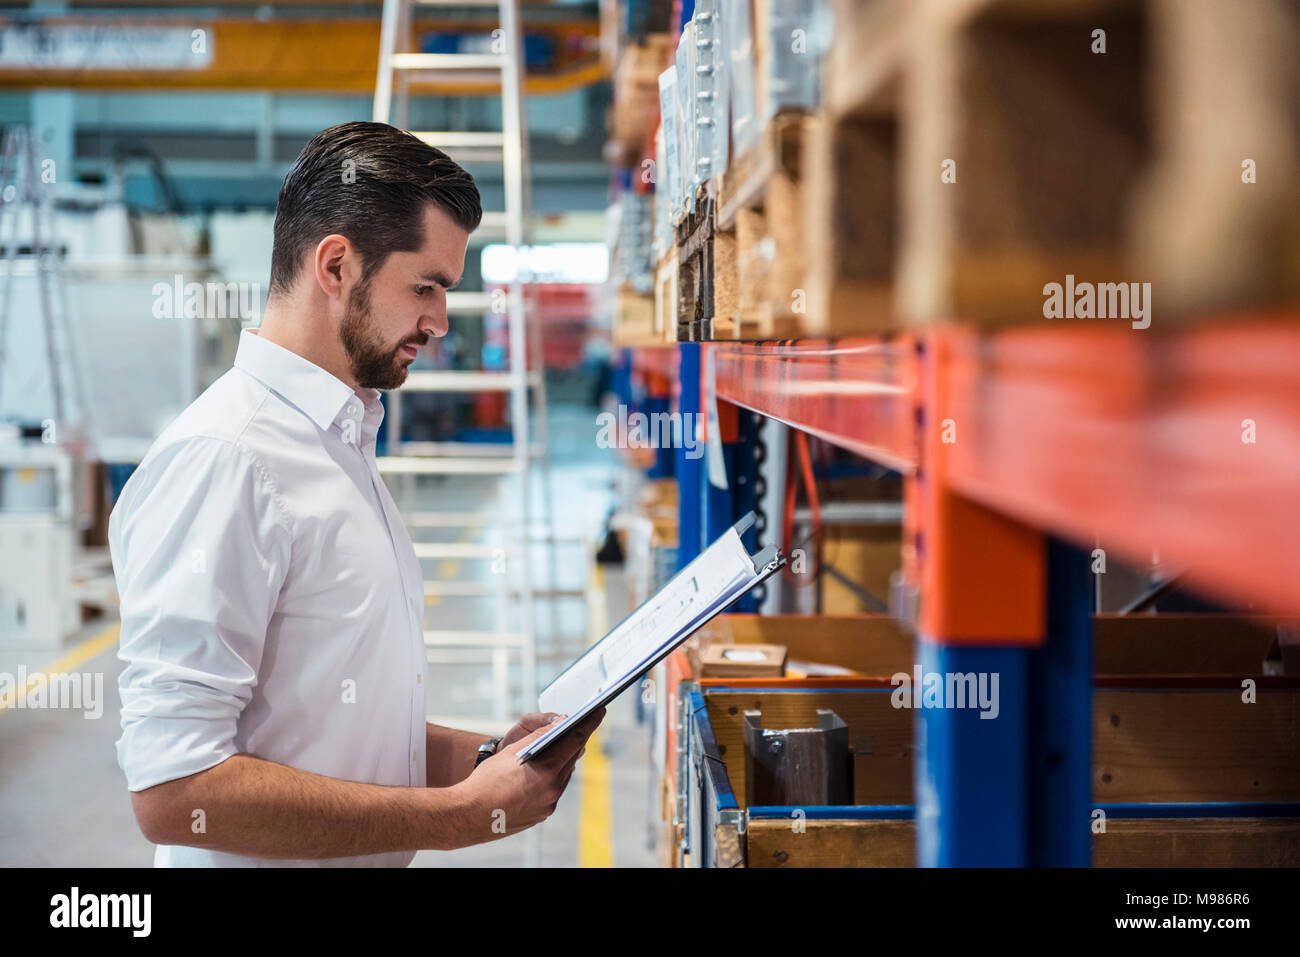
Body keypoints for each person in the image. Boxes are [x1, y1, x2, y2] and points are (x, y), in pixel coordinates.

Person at [108, 121, 602, 867]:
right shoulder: (228, 459)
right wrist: (454, 817)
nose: (438, 321)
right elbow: (176, 791)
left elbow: (340, 729)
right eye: (425, 285)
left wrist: (495, 759)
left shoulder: (336, 441)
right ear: (336, 264)